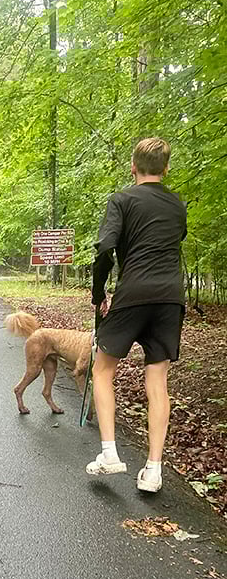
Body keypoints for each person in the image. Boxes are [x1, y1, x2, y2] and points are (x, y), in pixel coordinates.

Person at [86, 137, 187, 493]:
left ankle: (109, 453)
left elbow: (105, 249)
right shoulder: (178, 205)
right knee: (158, 382)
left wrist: (99, 294)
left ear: (133, 167)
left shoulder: (122, 200)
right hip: (170, 298)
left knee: (103, 370)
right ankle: (153, 470)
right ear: (166, 168)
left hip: (133, 293)